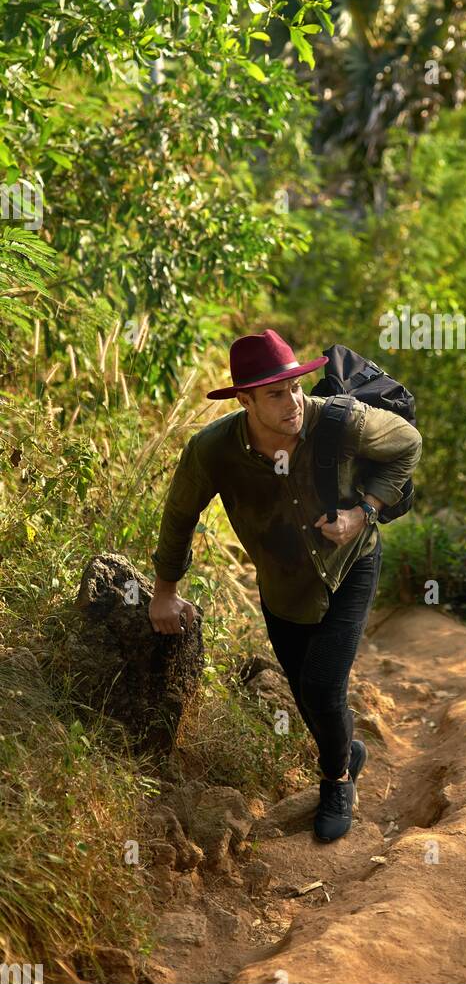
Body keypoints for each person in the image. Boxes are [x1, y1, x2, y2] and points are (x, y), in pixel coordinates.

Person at [148, 328, 422, 842]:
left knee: (322, 684)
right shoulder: (213, 451)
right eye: (276, 393)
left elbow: (409, 444)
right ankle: (347, 748)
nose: (293, 401)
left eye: (296, 386)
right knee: (307, 696)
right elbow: (180, 513)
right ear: (246, 400)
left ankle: (338, 778)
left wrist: (365, 513)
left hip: (350, 565)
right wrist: (165, 590)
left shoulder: (340, 422)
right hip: (284, 586)